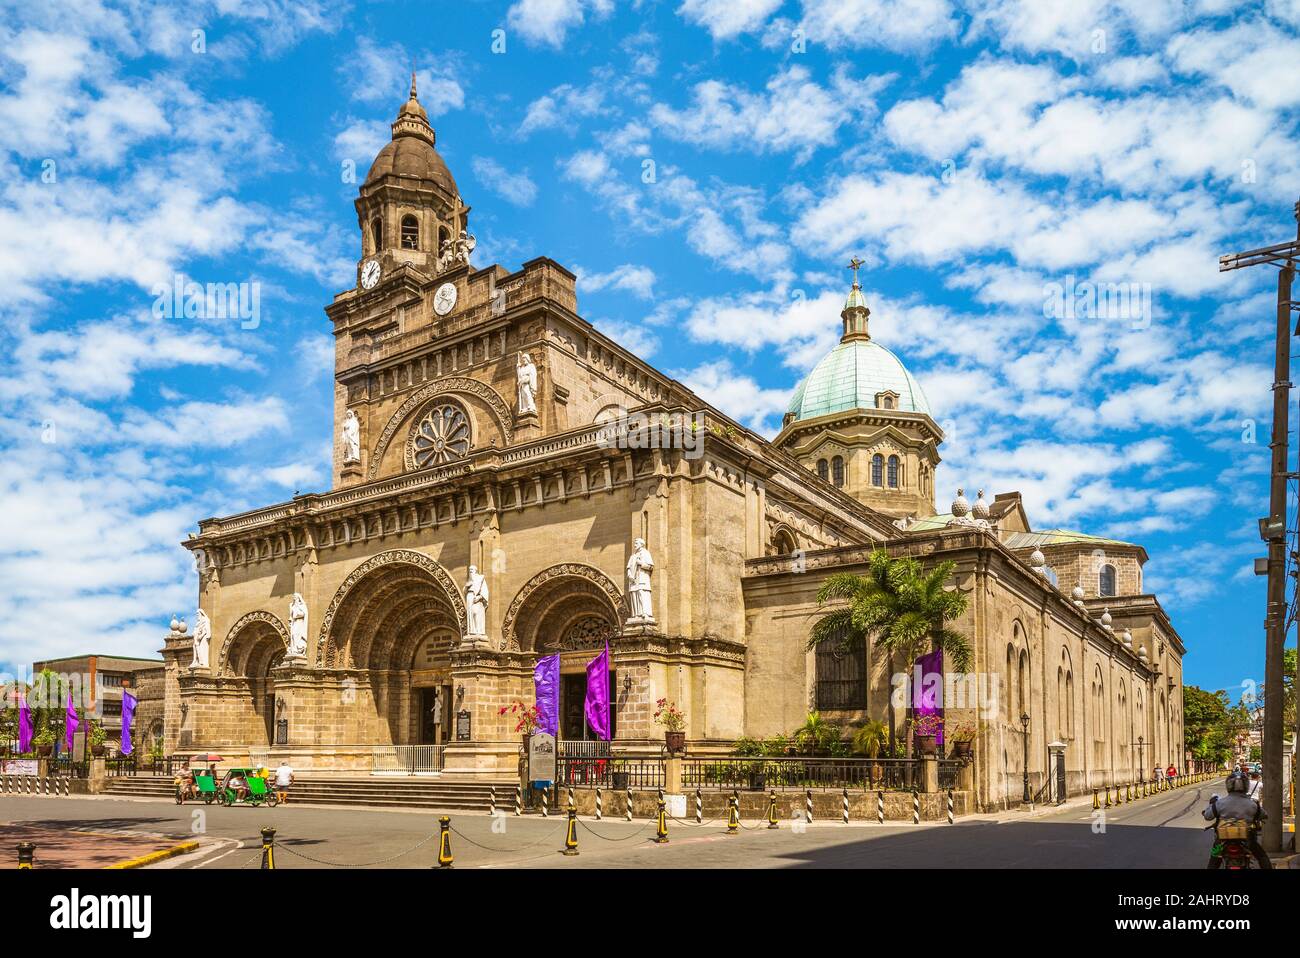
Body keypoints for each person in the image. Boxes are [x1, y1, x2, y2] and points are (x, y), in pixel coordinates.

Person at [1202, 771, 1271, 869]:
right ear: (1246, 786)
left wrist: (1211, 804)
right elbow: (1264, 815)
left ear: (1228, 786)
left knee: (1214, 859)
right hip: (1247, 839)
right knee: (1262, 856)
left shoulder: (1220, 803)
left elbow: (1208, 816)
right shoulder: (1252, 804)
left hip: (1222, 841)